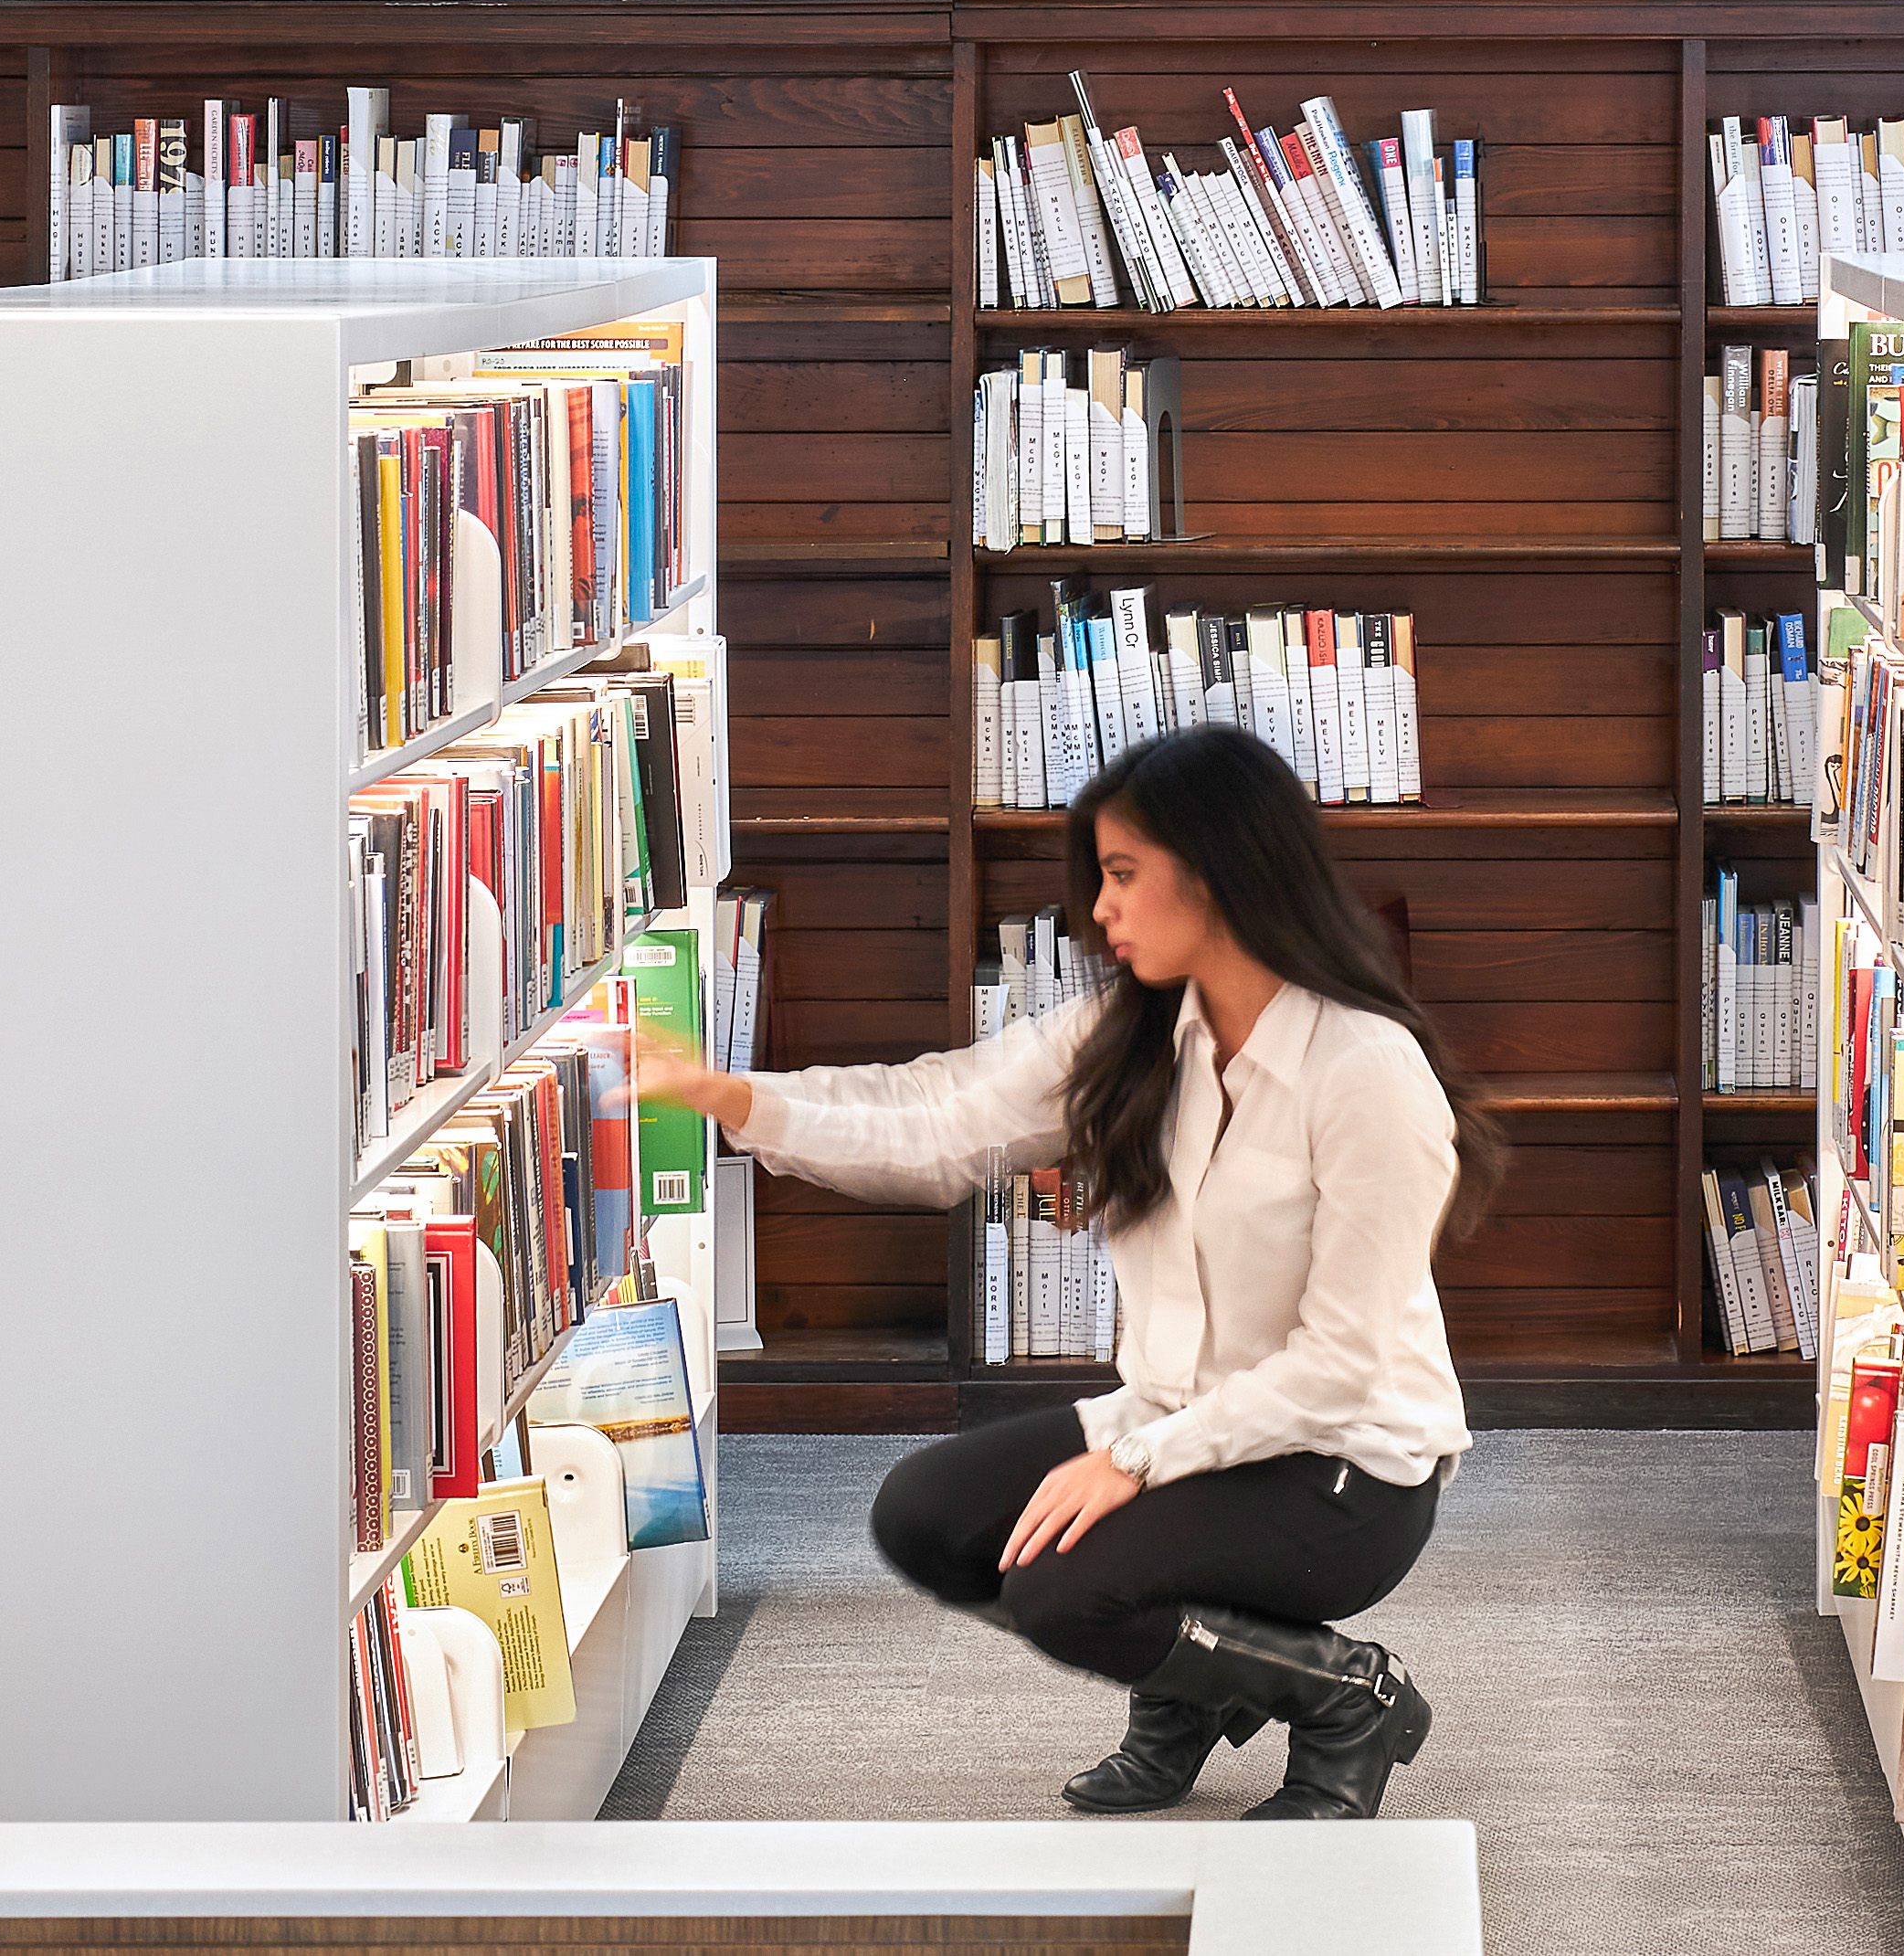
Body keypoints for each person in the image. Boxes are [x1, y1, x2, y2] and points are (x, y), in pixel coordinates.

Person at [629, 720, 1496, 1819]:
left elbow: (1338, 1368)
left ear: (1217, 872)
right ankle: (1189, 1681)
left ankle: (1344, 1699)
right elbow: (937, 1118)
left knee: (1058, 1586)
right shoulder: (1132, 1035)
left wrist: (1131, 1461)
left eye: (1123, 874)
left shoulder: (1365, 1071)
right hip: (1178, 1426)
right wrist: (728, 1097)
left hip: (1343, 1470)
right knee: (926, 1517)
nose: (1099, 908)